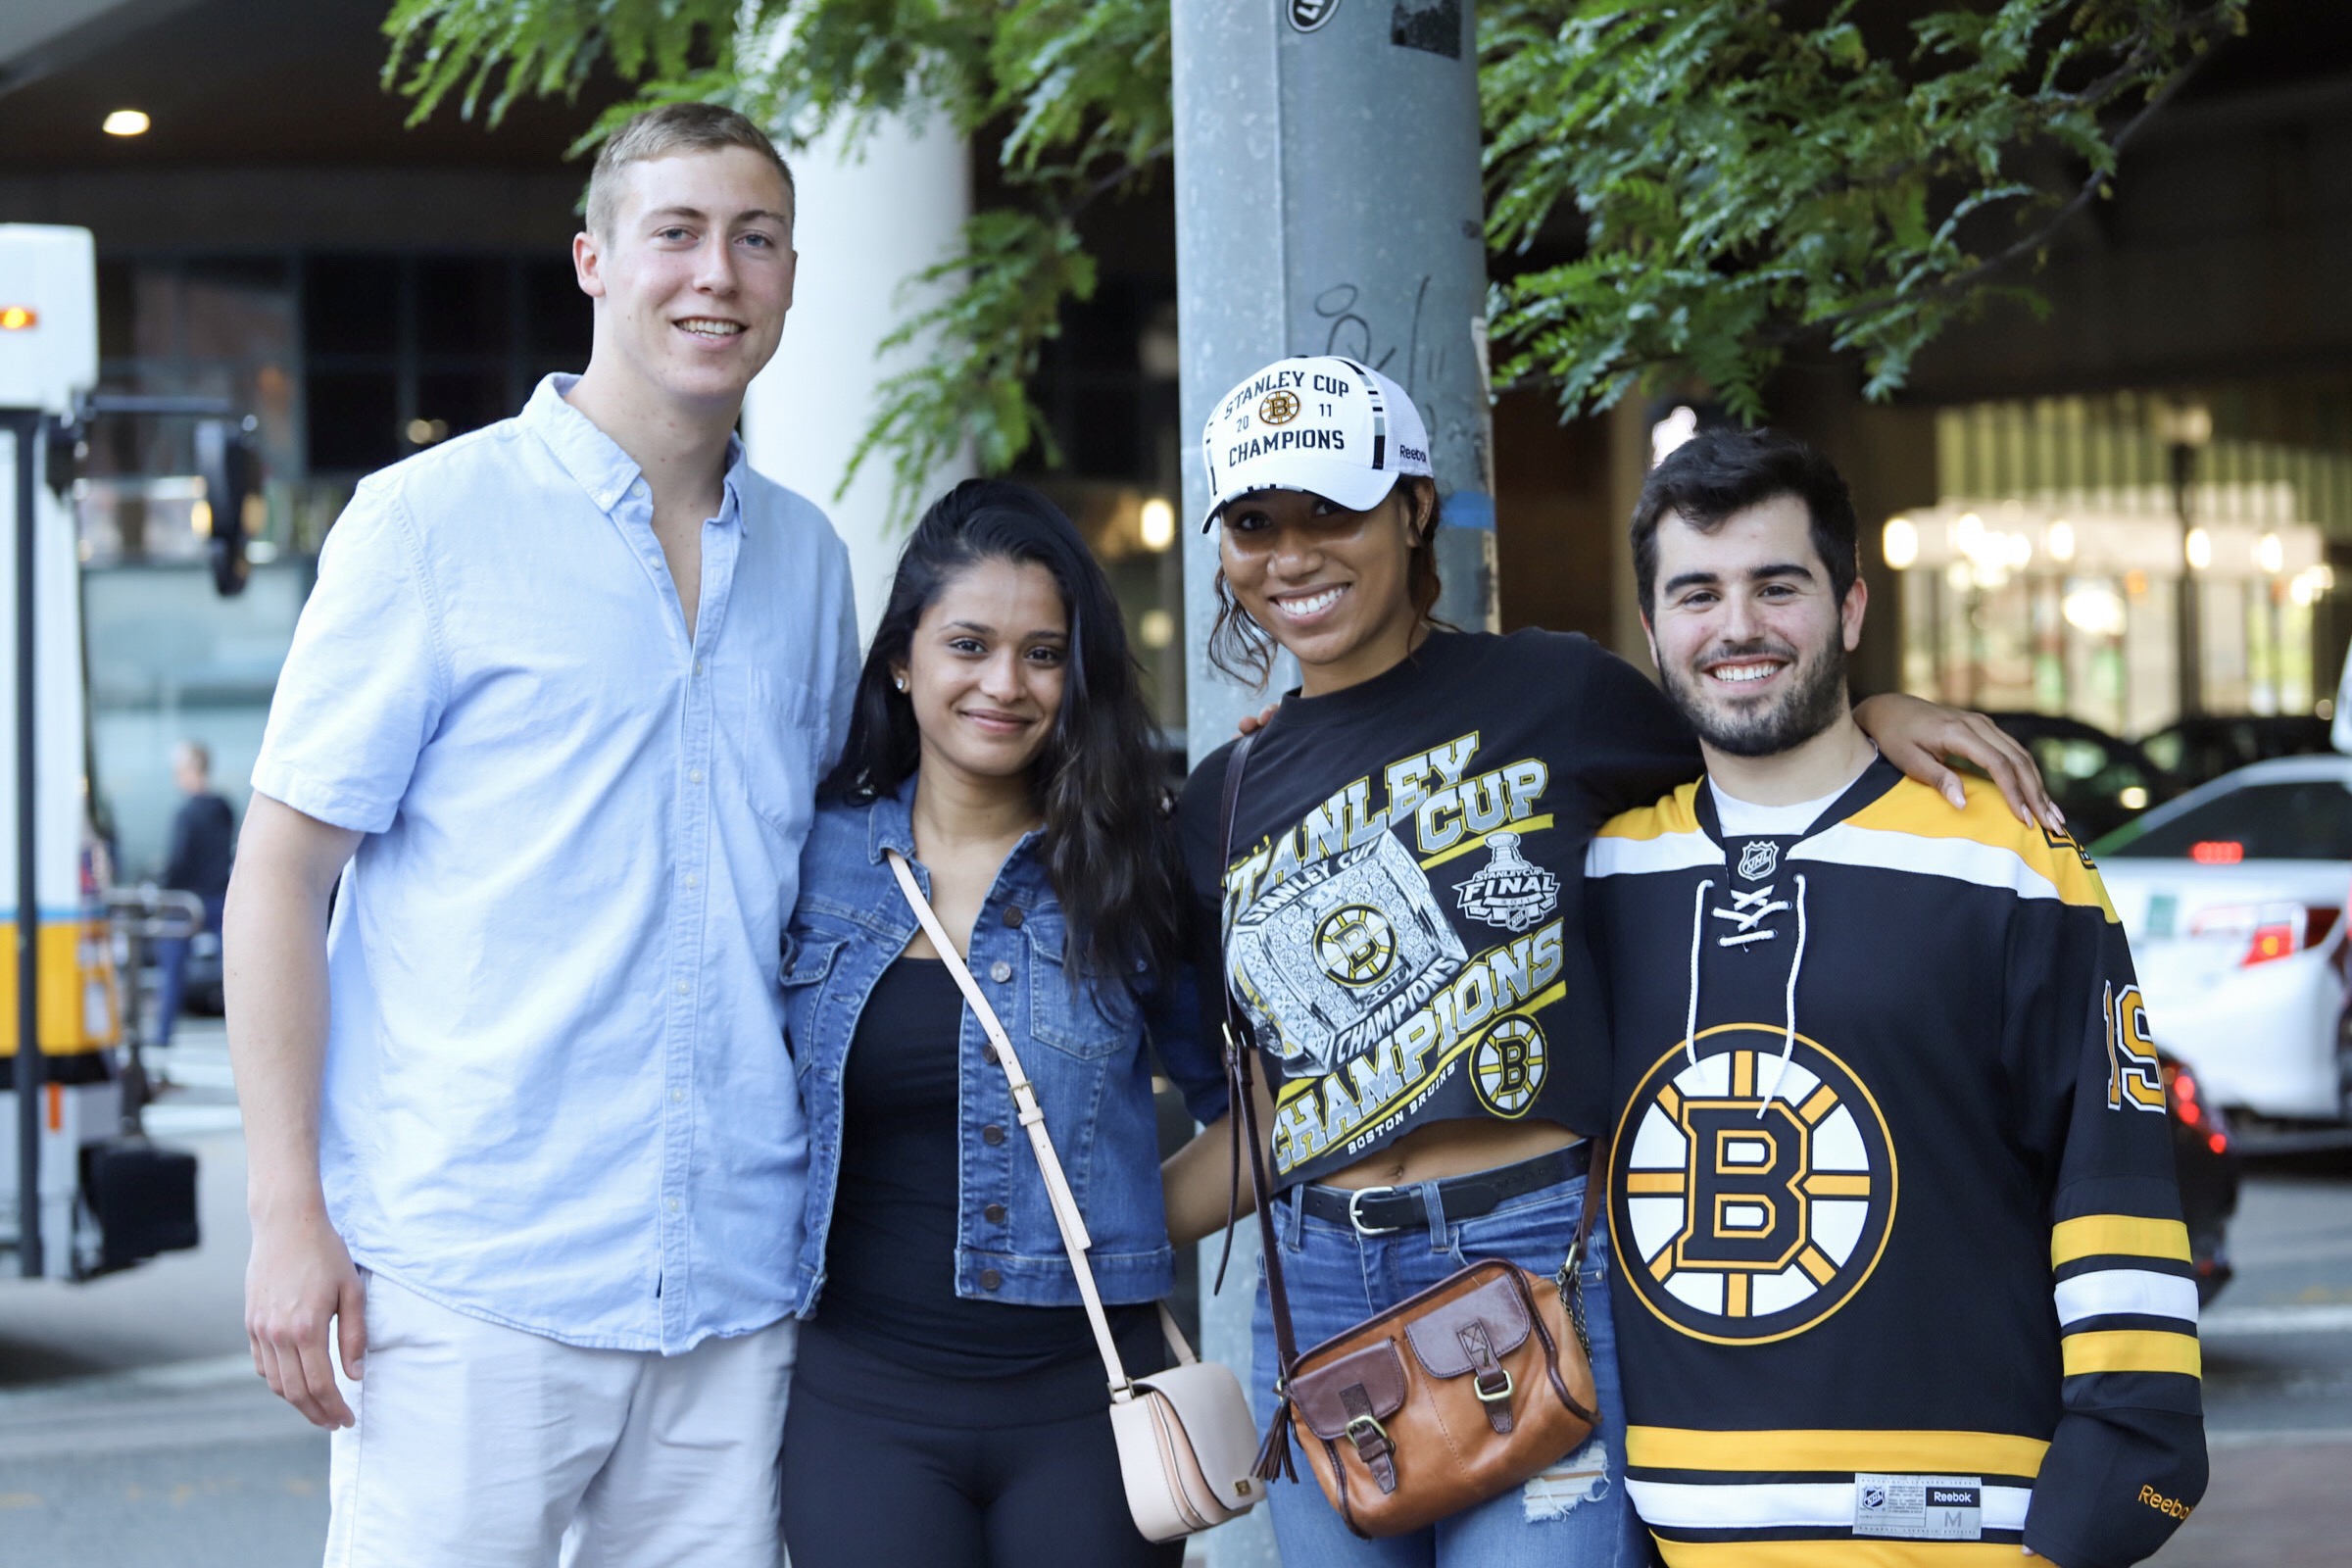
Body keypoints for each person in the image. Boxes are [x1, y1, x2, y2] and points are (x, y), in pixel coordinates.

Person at [1158, 355, 2059, 1568]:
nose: (1294, 554)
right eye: (1256, 524)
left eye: (1334, 511)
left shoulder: (1560, 693)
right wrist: (1104, 1230)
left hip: (1531, 1258)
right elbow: (1280, 1096)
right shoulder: (1221, 801)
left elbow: (1759, 753)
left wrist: (1877, 716)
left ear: (1415, 509)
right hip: (1316, 1289)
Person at [224, 103, 858, 1567]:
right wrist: (284, 1215)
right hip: (469, 1277)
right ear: (594, 260)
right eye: (677, 235)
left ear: (790, 275)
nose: (718, 274)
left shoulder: (814, 564)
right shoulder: (427, 526)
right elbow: (279, 877)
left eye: (755, 240)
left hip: (734, 1288)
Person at [1587, 429, 2205, 1567]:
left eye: (1780, 586)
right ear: (1653, 628)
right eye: (1698, 593)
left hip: (1966, 1534)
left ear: (1852, 607)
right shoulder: (1600, 875)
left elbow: (2108, 1170)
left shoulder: (2008, 857)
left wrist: (2100, 1506)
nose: (1737, 628)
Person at [774, 479, 1225, 1567]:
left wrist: (1110, 1217)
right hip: (860, 1401)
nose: (1004, 685)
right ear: (903, 658)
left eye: (1042, 653)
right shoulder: (812, 850)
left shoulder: (1130, 865)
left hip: (1090, 1403)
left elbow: (1253, 1110)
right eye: (968, 644)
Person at [153, 739, 235, 1046]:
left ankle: (162, 1033)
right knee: (235, 965)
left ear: (190, 770)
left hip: (186, 900)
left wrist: (164, 884)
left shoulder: (186, 814)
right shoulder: (223, 807)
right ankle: (243, 1029)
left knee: (172, 965)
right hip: (218, 895)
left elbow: (178, 861)